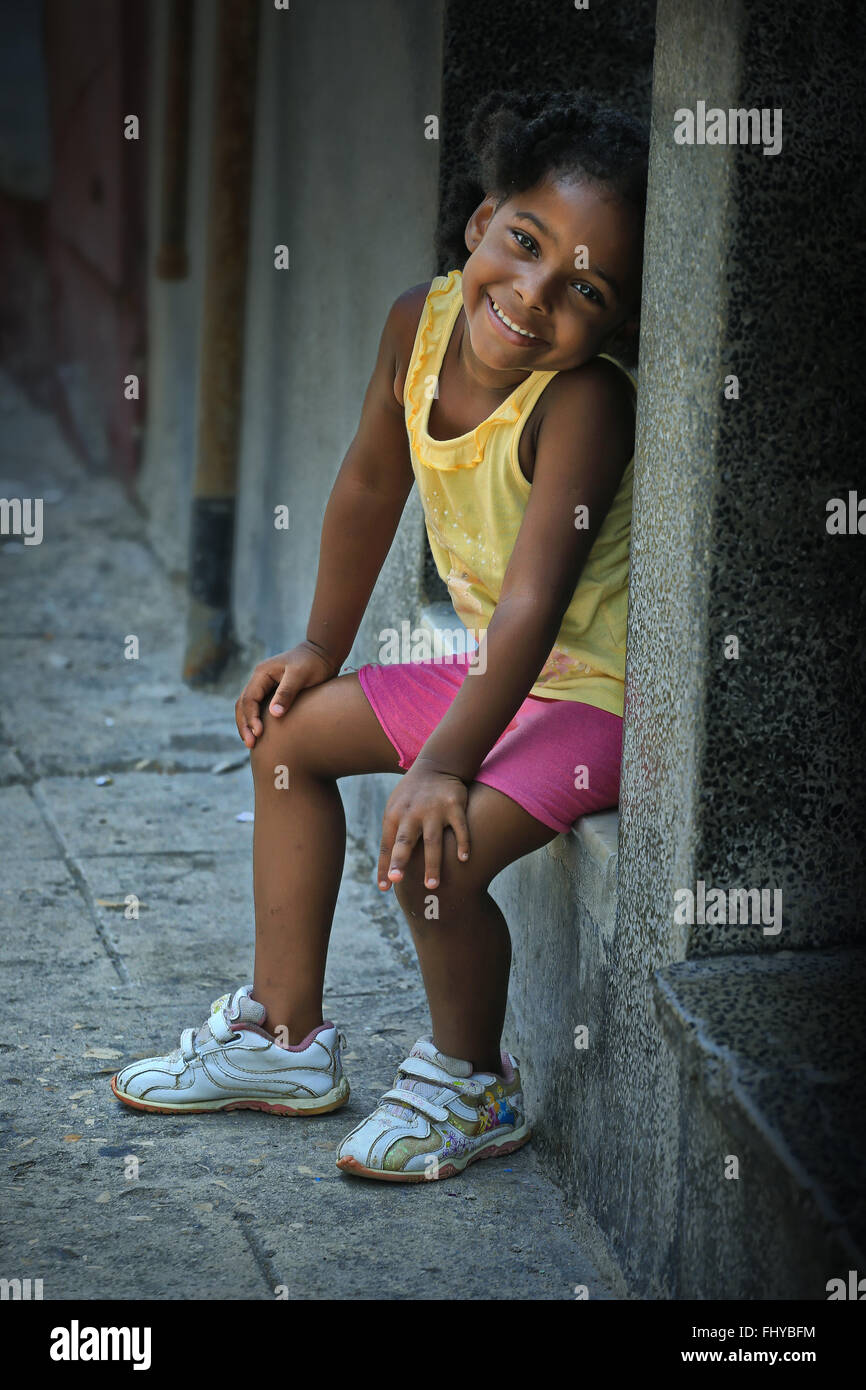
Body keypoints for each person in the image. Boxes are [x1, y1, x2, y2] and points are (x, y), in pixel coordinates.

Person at [111, 88, 648, 1183]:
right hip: (502, 667)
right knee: (286, 735)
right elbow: (366, 483)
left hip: (593, 694)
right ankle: (286, 1041)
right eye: (524, 242)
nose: (533, 296)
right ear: (480, 217)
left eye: (582, 290)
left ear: (614, 320)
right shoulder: (421, 320)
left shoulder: (581, 402)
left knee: (428, 851)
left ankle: (469, 1080)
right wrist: (317, 643)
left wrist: (444, 763)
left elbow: (537, 603)